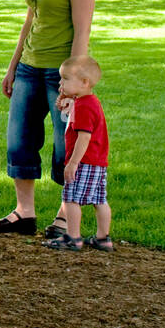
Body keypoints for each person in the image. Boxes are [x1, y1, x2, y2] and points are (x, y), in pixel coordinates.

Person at [0, 0, 96, 238]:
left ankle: (65, 217)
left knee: (67, 147)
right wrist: (12, 67)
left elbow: (83, 31)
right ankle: (24, 213)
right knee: (19, 141)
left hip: (60, 75)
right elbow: (29, 22)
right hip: (29, 70)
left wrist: (73, 82)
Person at [44, 55, 112, 251]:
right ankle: (103, 238)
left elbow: (84, 137)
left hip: (83, 161)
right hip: (98, 161)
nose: (60, 82)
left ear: (84, 82)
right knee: (99, 200)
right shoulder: (89, 101)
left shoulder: (83, 106)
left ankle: (73, 237)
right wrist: (66, 100)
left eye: (65, 78)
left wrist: (73, 163)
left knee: (71, 198)